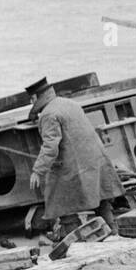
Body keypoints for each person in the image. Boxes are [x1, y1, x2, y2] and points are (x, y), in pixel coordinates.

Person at [26, 77, 123, 239]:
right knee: (101, 198)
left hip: (77, 165)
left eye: (31, 99)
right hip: (96, 159)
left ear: (36, 97)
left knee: (59, 198)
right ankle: (113, 231)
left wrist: (37, 171)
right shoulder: (70, 103)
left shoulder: (48, 114)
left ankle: (73, 236)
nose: (31, 102)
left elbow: (50, 147)